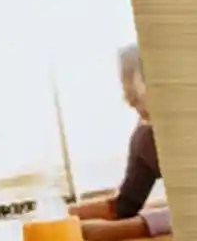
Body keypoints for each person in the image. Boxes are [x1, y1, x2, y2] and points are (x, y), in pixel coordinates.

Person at [68, 44, 172, 240]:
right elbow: (125, 206)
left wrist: (131, 228)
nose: (128, 98)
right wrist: (62, 217)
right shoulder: (145, 137)